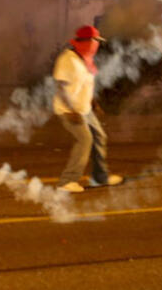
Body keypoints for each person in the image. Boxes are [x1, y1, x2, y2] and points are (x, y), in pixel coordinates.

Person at [52, 25, 123, 193]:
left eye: (97, 41)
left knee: (99, 136)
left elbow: (85, 84)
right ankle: (67, 181)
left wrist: (93, 102)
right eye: (93, 41)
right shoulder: (67, 59)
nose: (96, 45)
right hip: (69, 110)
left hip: (84, 109)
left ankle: (100, 177)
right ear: (83, 41)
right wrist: (71, 110)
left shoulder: (86, 59)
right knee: (85, 140)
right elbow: (60, 87)